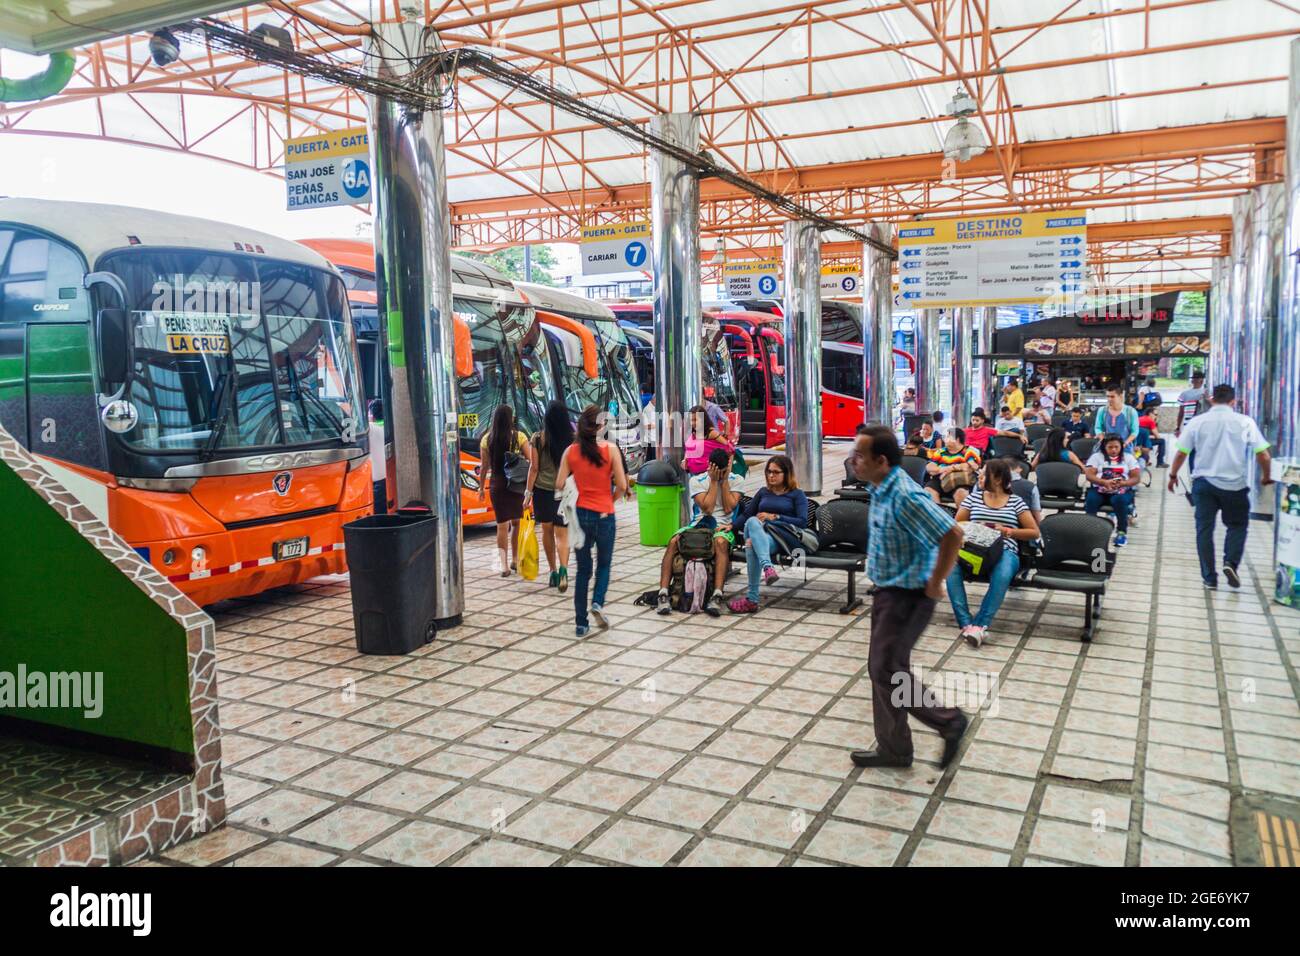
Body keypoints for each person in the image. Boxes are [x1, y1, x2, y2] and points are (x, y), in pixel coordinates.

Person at [846, 426, 968, 769]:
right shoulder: (880, 487)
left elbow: (953, 533)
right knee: (885, 669)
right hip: (888, 592)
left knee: (885, 669)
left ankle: (948, 721)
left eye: (859, 456)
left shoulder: (903, 494)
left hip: (908, 596)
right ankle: (894, 748)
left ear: (881, 461)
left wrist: (935, 581)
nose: (853, 461)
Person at [1167, 384, 1273, 590]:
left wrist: (1172, 476)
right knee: (1237, 526)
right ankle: (1230, 562)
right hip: (1235, 485)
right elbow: (1263, 454)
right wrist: (1267, 476)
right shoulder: (1245, 422)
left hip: (1204, 484)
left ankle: (1209, 577)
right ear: (1234, 401)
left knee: (1204, 530)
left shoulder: (1198, 422)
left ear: (1212, 399)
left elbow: (1181, 453)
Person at [945, 458, 1041, 648]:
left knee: (1003, 574)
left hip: (1005, 549)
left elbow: (1034, 531)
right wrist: (975, 527)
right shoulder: (973, 498)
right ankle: (966, 623)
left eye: (983, 472)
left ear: (997, 479)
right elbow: (957, 525)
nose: (979, 475)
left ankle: (980, 624)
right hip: (973, 549)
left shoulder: (1016, 502)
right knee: (950, 568)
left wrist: (1007, 531)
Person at [554, 405, 629, 635]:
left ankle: (580, 623)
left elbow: (558, 484)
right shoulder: (611, 450)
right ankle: (597, 602)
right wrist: (610, 499)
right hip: (605, 515)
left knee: (583, 570)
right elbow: (623, 486)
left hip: (581, 515)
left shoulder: (570, 452)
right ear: (600, 425)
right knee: (603, 565)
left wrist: (575, 485)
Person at [655, 447, 740, 618]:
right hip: (698, 525)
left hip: (723, 527)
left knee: (721, 543)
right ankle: (663, 593)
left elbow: (729, 507)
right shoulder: (697, 480)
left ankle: (717, 595)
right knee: (673, 541)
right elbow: (707, 509)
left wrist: (724, 482)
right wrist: (714, 482)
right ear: (710, 466)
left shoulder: (736, 479)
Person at [728, 455, 809, 614]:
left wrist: (776, 517)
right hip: (763, 537)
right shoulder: (763, 492)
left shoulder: (796, 494)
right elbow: (746, 515)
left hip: (782, 539)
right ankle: (768, 568)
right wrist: (731, 526)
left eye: (776, 472)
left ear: (786, 474)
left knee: (751, 544)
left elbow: (802, 522)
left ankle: (752, 600)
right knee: (752, 522)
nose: (771, 475)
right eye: (769, 472)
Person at [479, 404, 534, 577]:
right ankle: (515, 559)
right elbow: (531, 460)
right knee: (516, 523)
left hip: (497, 485)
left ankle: (503, 566)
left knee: (501, 526)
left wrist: (481, 487)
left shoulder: (486, 439)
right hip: (516, 485)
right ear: (510, 419)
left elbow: (484, 467)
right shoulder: (519, 437)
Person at [525, 400, 573, 591]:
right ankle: (563, 569)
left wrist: (527, 493)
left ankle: (552, 571)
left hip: (542, 492)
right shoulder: (572, 439)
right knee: (562, 533)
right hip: (564, 491)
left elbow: (533, 468)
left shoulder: (537, 438)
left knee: (546, 530)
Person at [1084, 434, 1141, 547]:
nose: (1114, 450)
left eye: (1116, 447)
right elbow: (1089, 475)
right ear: (1104, 447)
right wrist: (1104, 482)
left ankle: (1121, 532)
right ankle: (1090, 532)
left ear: (1121, 446)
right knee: (1091, 500)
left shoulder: (1128, 457)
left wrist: (1123, 483)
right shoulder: (1096, 457)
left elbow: (1136, 478)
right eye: (1110, 447)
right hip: (1100, 488)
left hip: (1122, 489)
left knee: (1119, 500)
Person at [924, 427, 981, 506]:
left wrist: (950, 469)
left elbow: (972, 467)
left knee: (961, 493)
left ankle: (961, 517)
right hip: (939, 479)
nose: (944, 439)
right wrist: (945, 469)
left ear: (956, 439)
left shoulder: (968, 451)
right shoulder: (941, 451)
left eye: (947, 437)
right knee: (928, 491)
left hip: (959, 480)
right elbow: (929, 467)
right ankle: (940, 515)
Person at [1094, 387, 1140, 453]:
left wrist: (1125, 444)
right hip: (1106, 447)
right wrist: (1103, 440)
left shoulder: (1130, 411)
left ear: (1120, 396)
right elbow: (1098, 428)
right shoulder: (1102, 410)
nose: (1109, 399)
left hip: (1125, 448)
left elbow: (1135, 431)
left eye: (1112, 397)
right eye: (1108, 396)